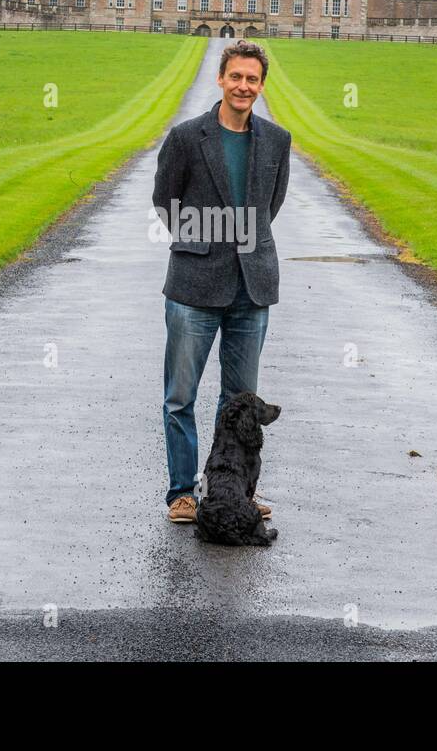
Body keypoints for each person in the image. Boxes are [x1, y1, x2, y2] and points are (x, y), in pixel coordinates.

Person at [151, 40, 291, 523]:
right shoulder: (188, 137)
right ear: (221, 79)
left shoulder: (277, 141)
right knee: (181, 397)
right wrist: (209, 240)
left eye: (252, 79)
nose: (243, 86)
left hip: (251, 289)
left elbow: (271, 206)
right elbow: (165, 201)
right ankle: (181, 493)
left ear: (261, 84)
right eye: (236, 77)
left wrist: (243, 244)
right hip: (193, 284)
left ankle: (232, 492)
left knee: (239, 405)